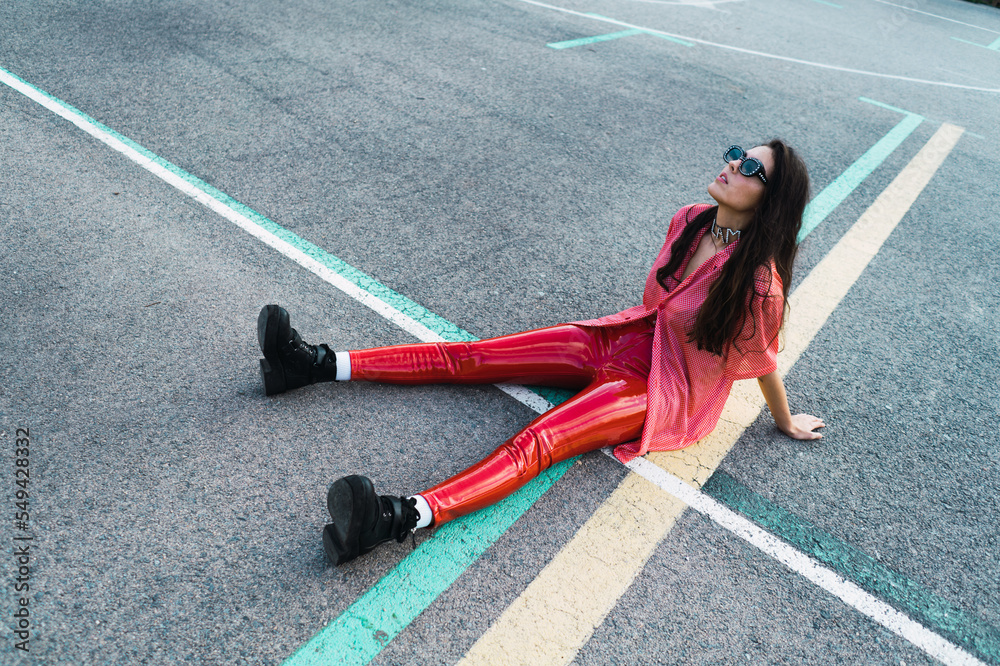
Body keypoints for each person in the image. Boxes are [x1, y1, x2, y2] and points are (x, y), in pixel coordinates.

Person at [257, 141, 825, 566]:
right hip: (626, 338)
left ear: (768, 201)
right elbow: (656, 305)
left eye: (750, 168)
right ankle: (314, 364)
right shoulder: (690, 219)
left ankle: (396, 518)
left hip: (662, 387)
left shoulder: (759, 286)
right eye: (735, 154)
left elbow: (765, 359)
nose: (731, 165)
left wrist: (784, 419)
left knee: (540, 440)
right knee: (473, 357)